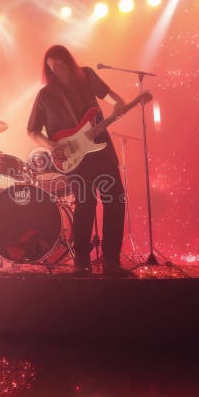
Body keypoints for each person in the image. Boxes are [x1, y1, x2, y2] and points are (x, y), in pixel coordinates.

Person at [27, 44, 128, 275]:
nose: (57, 72)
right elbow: (32, 130)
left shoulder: (87, 75)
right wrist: (52, 146)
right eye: (52, 69)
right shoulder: (45, 95)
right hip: (73, 156)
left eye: (61, 66)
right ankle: (81, 263)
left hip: (101, 149)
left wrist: (118, 102)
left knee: (115, 200)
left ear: (69, 63)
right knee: (86, 204)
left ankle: (111, 262)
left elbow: (108, 94)